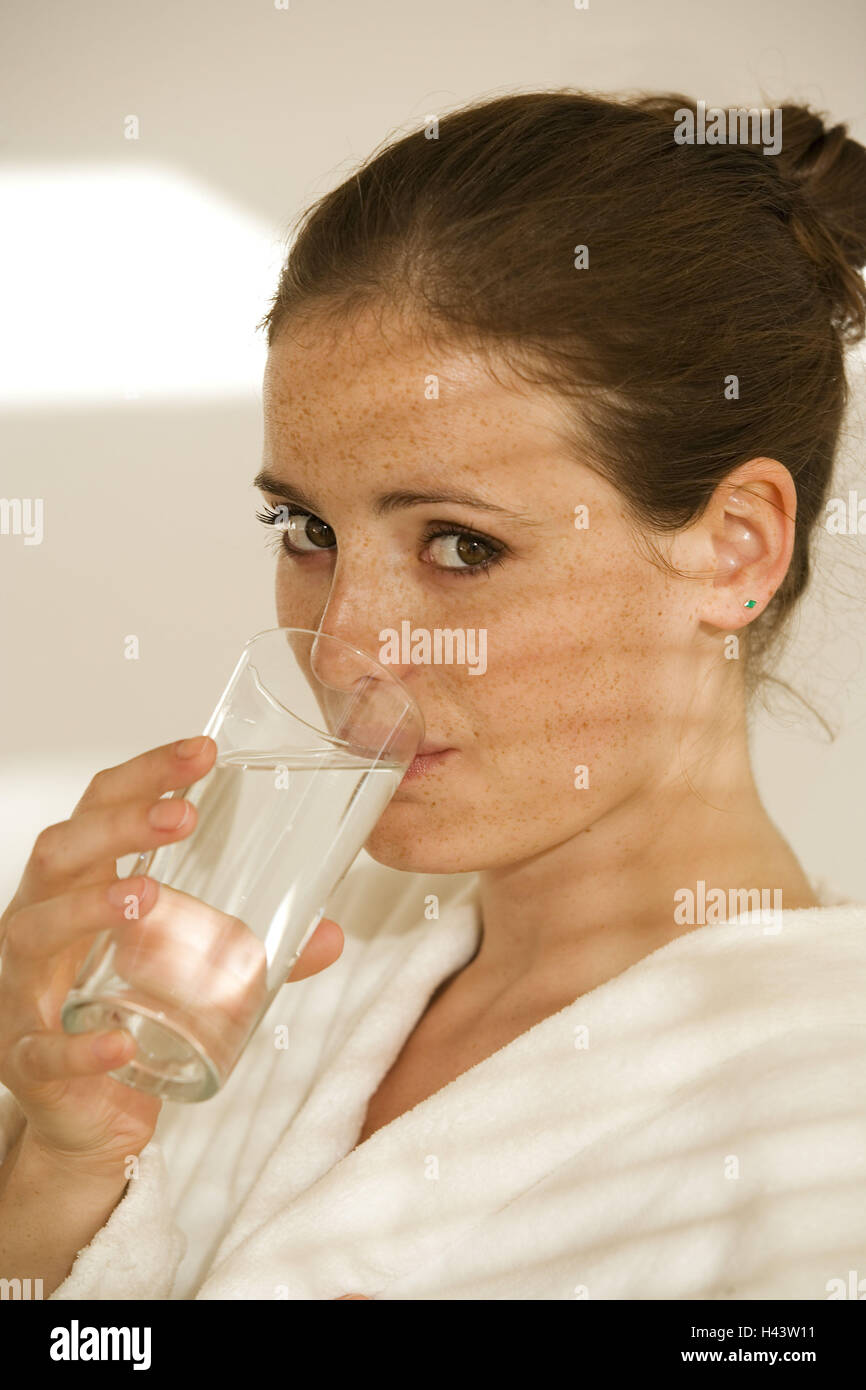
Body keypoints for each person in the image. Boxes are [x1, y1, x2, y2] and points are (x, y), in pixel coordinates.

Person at [2, 89, 866, 1301]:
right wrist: (54, 1165)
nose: (342, 645)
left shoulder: (830, 1126)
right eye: (304, 527)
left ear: (732, 550)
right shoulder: (241, 972)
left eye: (459, 546)